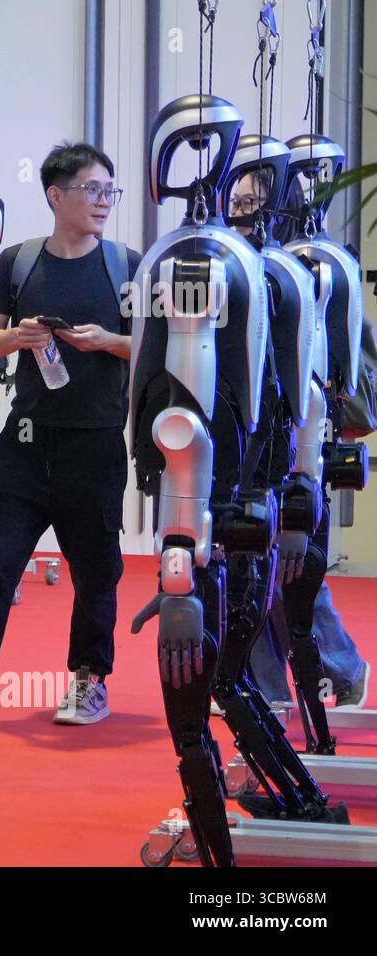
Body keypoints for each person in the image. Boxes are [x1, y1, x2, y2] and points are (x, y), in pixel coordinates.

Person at [0, 142, 140, 726]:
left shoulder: (126, 265)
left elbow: (156, 348)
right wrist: (19, 336)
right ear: (55, 196)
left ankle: (90, 682)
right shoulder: (17, 262)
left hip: (96, 442)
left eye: (109, 191)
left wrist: (106, 342)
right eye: (92, 189)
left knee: (97, 571)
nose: (103, 201)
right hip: (27, 442)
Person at [224, 169, 372, 712]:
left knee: (290, 569)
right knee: (243, 567)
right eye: (234, 198)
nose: (238, 209)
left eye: (249, 201)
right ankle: (267, 694)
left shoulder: (305, 271)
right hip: (239, 439)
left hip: (295, 442)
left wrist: (308, 464)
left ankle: (342, 667)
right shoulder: (232, 265)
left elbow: (320, 374)